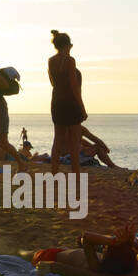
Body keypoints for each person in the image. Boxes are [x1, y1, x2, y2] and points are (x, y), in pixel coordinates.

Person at [47, 30, 86, 177]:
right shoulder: (69, 61)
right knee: (74, 142)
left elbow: (53, 82)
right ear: (68, 45)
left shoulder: (51, 61)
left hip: (56, 102)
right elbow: (73, 85)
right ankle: (76, 174)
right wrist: (81, 106)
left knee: (58, 139)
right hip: (70, 103)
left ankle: (54, 172)